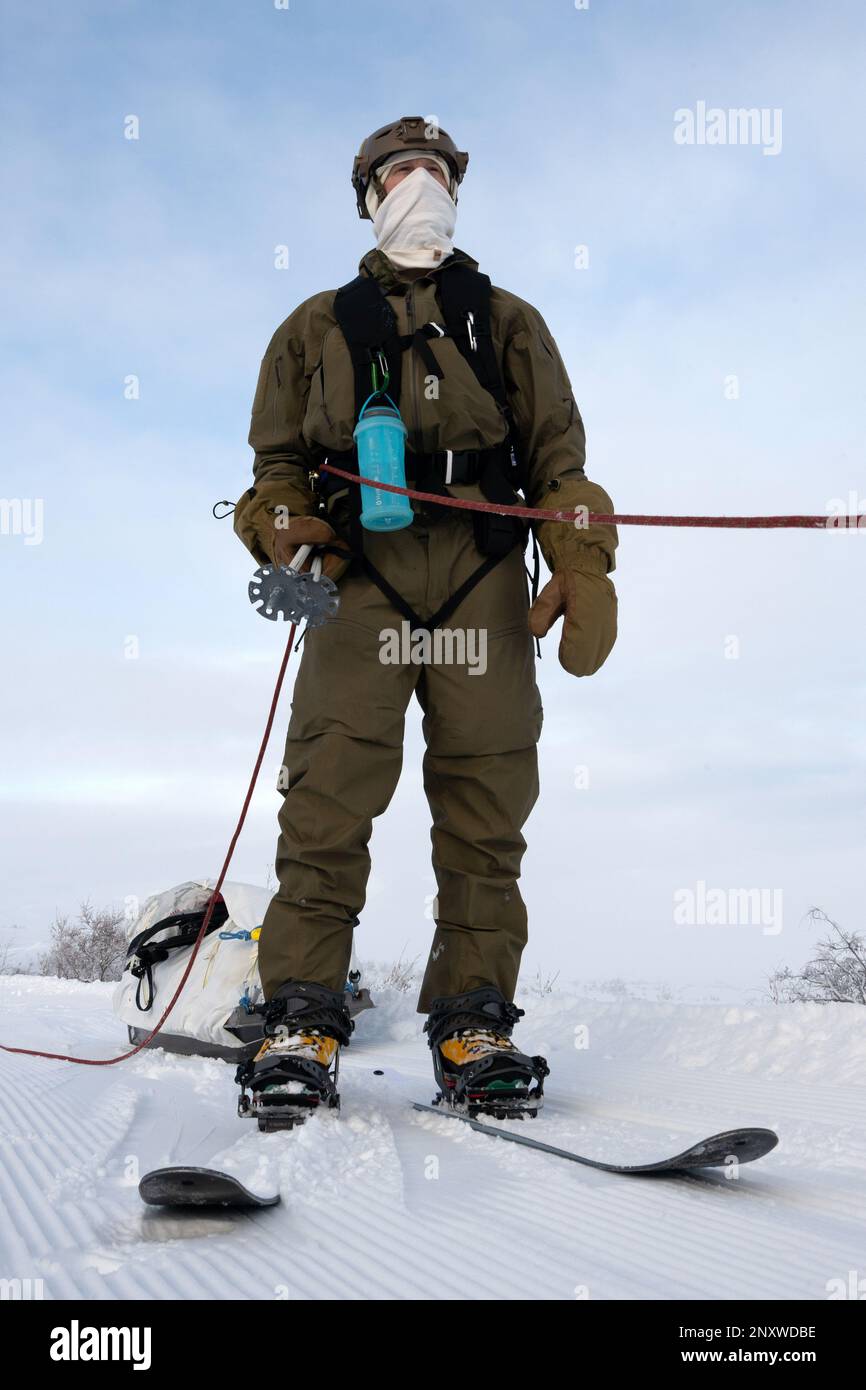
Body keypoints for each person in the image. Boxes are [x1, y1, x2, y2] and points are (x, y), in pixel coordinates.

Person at [232, 117, 618, 1126]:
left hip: (483, 581)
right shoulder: (314, 325)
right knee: (326, 799)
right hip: (357, 580)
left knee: (487, 809)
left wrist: (580, 558)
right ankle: (300, 1016)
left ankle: (470, 1019)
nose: (422, 184)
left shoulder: (509, 322)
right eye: (402, 172)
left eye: (438, 171)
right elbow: (273, 465)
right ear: (367, 194)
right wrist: (280, 527)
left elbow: (560, 464)